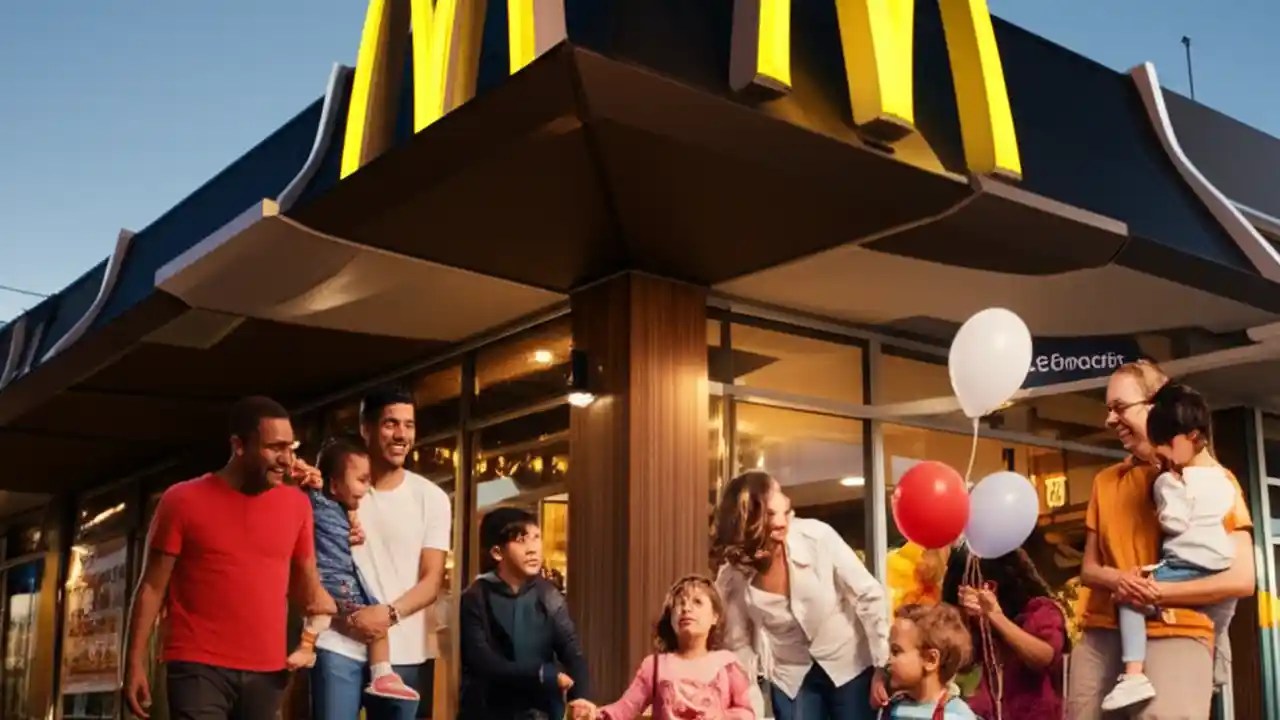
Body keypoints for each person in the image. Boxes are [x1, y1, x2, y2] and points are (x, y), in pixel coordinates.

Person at [122, 396, 336, 720]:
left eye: (290, 448)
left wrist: (327, 508)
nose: (286, 459)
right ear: (238, 445)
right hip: (197, 664)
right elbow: (152, 586)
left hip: (268, 670)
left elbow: (308, 592)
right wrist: (133, 662)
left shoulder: (297, 505)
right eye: (274, 448)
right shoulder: (182, 500)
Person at [1066, 360, 1255, 720]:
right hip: (1102, 632)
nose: (1109, 420)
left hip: (1178, 628)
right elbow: (1089, 569)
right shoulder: (1106, 482)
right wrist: (1122, 580)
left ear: (1155, 405)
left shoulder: (1210, 479)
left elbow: (1241, 579)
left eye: (1120, 407)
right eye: (1108, 410)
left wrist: (1156, 593)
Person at [311, 386, 452, 720]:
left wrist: (386, 615)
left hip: (402, 649)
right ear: (366, 428)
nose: (401, 434)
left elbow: (432, 580)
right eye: (391, 423)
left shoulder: (431, 498)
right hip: (337, 641)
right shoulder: (337, 490)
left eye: (409, 425)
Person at [1102, 382, 1239, 711]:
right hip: (1218, 571)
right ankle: (1212, 672)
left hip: (1187, 567)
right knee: (1214, 629)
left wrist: (1165, 488)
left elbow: (1174, 524)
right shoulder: (1224, 478)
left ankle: (1133, 676)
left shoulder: (1173, 481)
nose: (1160, 450)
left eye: (1164, 443)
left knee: (1131, 595)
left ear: (1190, 438)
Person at [713, 470, 891, 720]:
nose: (781, 523)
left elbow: (868, 595)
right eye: (771, 516)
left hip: (850, 664)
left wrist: (882, 665)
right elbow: (738, 645)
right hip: (791, 677)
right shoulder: (733, 576)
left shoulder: (817, 537)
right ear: (750, 524)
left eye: (784, 513)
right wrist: (746, 706)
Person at [287, 435, 420, 701]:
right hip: (338, 579)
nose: (367, 487)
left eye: (368, 480)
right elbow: (307, 480)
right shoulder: (319, 500)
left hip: (336, 578)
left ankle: (376, 672)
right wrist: (301, 468)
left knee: (338, 614)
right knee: (376, 620)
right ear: (334, 484)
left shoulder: (340, 509)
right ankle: (381, 674)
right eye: (361, 480)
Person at [457, 507, 591, 720]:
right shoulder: (476, 596)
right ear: (497, 552)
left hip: (541, 711)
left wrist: (581, 697)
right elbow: (482, 661)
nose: (533, 549)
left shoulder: (548, 594)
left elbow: (572, 651)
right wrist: (542, 674)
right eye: (521, 540)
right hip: (488, 710)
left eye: (536, 538)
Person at [590, 574, 755, 720]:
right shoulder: (654, 666)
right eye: (680, 603)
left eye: (697, 602)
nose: (686, 609)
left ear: (715, 617)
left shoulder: (727, 665)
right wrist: (592, 714)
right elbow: (623, 710)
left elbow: (747, 713)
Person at [940, 546, 1067, 719]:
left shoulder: (1041, 609)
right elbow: (963, 665)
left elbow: (1043, 656)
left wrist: (995, 616)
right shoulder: (976, 620)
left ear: (991, 586)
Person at [883, 603, 976, 719]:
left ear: (930, 660)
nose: (888, 659)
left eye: (896, 651)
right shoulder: (894, 707)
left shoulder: (955, 716)